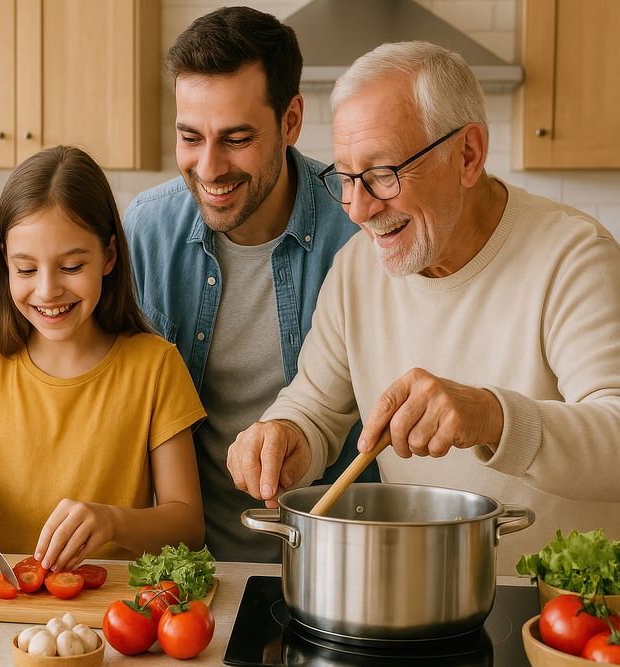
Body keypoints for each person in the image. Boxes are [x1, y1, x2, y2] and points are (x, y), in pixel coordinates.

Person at [229, 40, 620, 573]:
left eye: (384, 173)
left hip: (558, 610)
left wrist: (492, 416)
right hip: (422, 595)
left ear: (468, 155)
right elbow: (315, 407)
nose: (359, 208)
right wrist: (284, 435)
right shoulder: (356, 270)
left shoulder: (572, 256)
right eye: (345, 177)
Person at [123, 6, 378, 563]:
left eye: (236, 139)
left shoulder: (360, 230)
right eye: (190, 137)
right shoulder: (146, 231)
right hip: (193, 569)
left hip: (343, 563)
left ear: (291, 122)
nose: (209, 168)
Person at [0, 145, 206, 572]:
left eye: (70, 266)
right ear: (4, 262)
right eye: (26, 270)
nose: (48, 291)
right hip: (10, 605)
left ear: (108, 256)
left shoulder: (156, 366)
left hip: (111, 609)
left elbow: (188, 524)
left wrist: (113, 522)